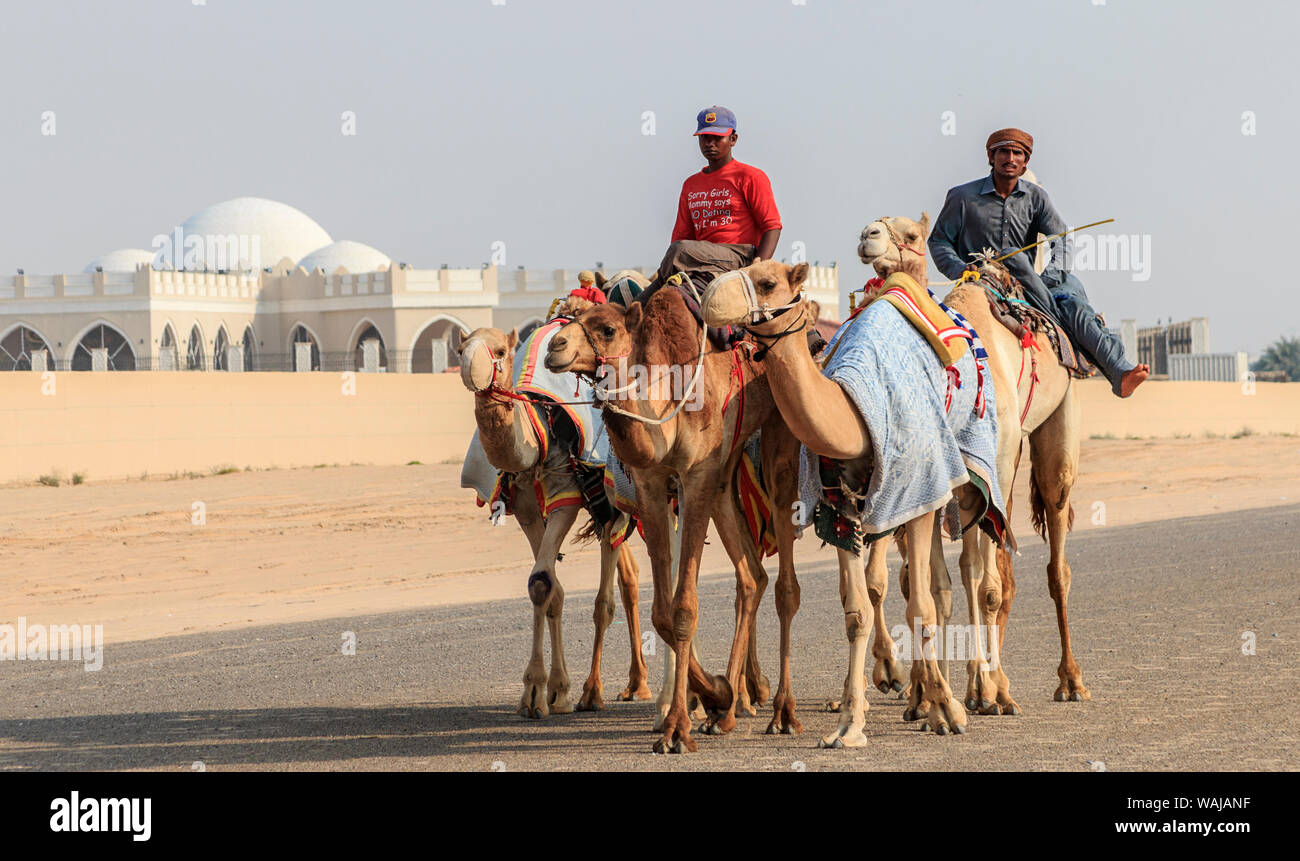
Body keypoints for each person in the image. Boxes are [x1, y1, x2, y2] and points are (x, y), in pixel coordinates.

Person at [928, 127, 1148, 397]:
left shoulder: (1036, 197)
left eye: (1017, 153)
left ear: (1025, 161)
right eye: (1004, 152)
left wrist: (1051, 277)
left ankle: (1119, 370)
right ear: (991, 156)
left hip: (1030, 283)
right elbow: (938, 241)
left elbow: (1062, 239)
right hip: (980, 281)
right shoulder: (961, 197)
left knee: (1074, 305)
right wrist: (960, 268)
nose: (1010, 158)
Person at [644, 106, 782, 297]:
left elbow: (772, 227)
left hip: (738, 256)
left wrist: (753, 271)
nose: (710, 143)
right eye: (705, 138)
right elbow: (682, 235)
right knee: (677, 254)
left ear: (733, 139)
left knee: (679, 251)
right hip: (698, 260)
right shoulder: (691, 184)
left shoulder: (750, 176)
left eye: (717, 138)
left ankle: (646, 295)